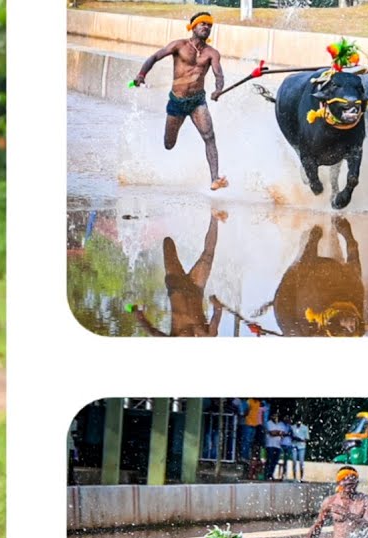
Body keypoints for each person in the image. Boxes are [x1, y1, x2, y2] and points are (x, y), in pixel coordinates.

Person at [132, 12, 228, 191]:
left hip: (197, 102)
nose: (206, 27)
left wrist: (218, 89)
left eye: (209, 25)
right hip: (177, 101)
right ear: (193, 27)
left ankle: (215, 178)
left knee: (209, 137)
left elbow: (219, 75)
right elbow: (154, 57)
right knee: (169, 144)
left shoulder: (212, 53)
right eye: (202, 23)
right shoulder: (179, 45)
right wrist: (141, 75)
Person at [130, 210, 227, 337]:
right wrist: (216, 306)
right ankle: (214, 217)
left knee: (167, 242)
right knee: (208, 255)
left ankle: (154, 216)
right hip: (196, 287)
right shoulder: (206, 337)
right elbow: (216, 319)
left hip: (176, 285)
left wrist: (139, 316)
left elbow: (153, 332)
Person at [297, 466, 368, 538]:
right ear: (338, 483)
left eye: (352, 481)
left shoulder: (366, 501)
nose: (348, 483)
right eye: (344, 480)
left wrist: (347, 514)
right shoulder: (330, 501)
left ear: (357, 482)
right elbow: (317, 528)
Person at [263, 413, 287, 482]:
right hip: (270, 444)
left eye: (276, 416)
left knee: (275, 461)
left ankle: (271, 474)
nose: (275, 417)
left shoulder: (281, 424)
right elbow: (272, 433)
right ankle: (266, 474)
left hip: (278, 445)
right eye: (274, 415)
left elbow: (283, 433)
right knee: (269, 460)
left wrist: (276, 432)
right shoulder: (268, 423)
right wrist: (278, 432)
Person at [277, 415, 293, 480]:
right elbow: (281, 433)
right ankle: (277, 474)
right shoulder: (280, 425)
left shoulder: (289, 426)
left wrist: (288, 433)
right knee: (278, 460)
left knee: (285, 461)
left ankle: (284, 474)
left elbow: (291, 434)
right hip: (281, 444)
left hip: (288, 444)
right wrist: (286, 434)